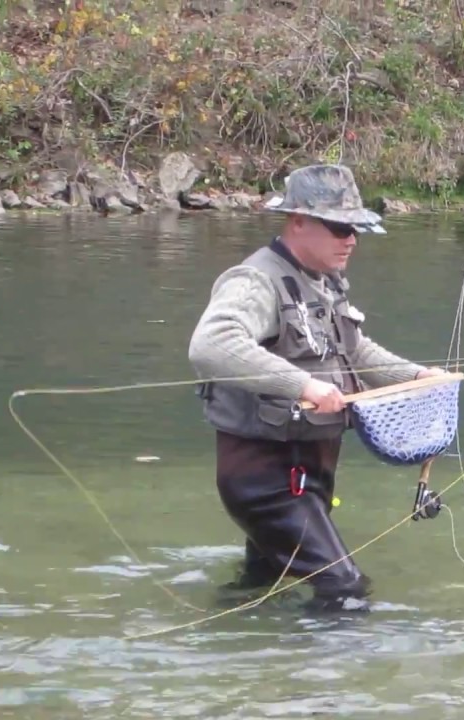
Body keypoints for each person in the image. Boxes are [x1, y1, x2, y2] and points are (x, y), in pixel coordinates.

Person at [187, 163, 443, 613]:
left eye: (356, 229)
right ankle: (329, 661)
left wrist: (417, 377)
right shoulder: (256, 281)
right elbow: (211, 344)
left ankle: (233, 640)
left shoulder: (325, 281)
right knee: (345, 589)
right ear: (298, 221)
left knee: (262, 585)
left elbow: (355, 350)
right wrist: (304, 385)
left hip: (308, 474)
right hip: (266, 480)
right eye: (340, 227)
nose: (352, 239)